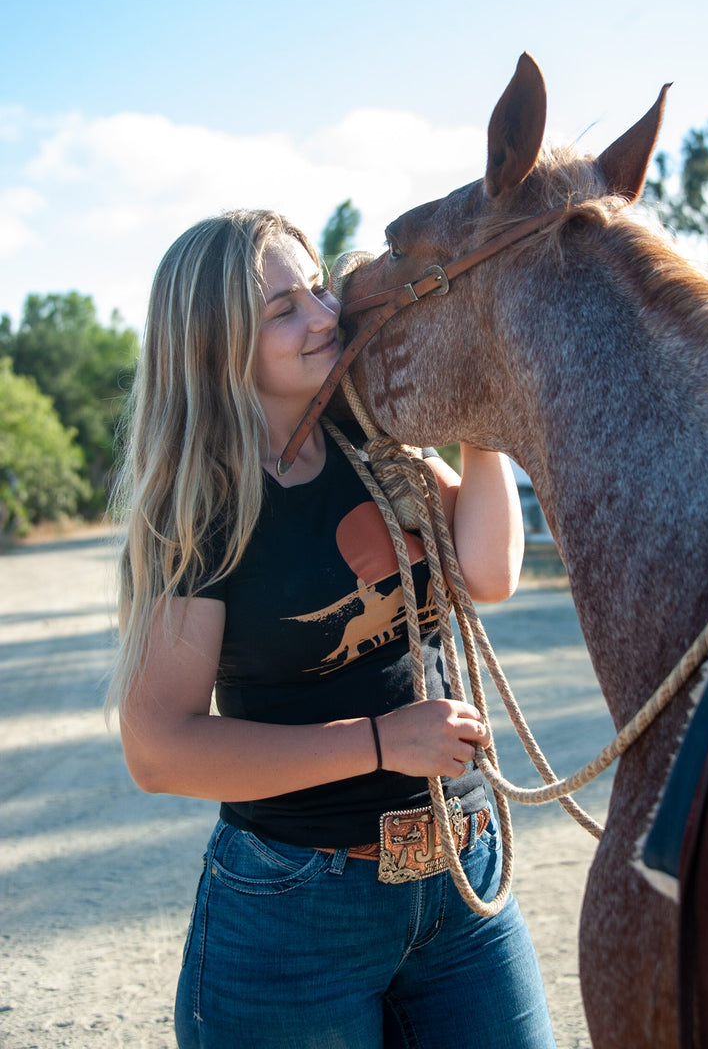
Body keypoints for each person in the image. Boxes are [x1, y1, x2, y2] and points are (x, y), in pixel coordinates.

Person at [108, 208, 555, 1049]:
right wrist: (383, 741)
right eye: (283, 310)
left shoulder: (368, 438)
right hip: (297, 913)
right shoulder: (198, 506)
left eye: (316, 289)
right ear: (213, 345)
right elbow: (157, 749)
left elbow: (488, 573)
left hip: (463, 877)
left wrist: (478, 424)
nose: (322, 316)